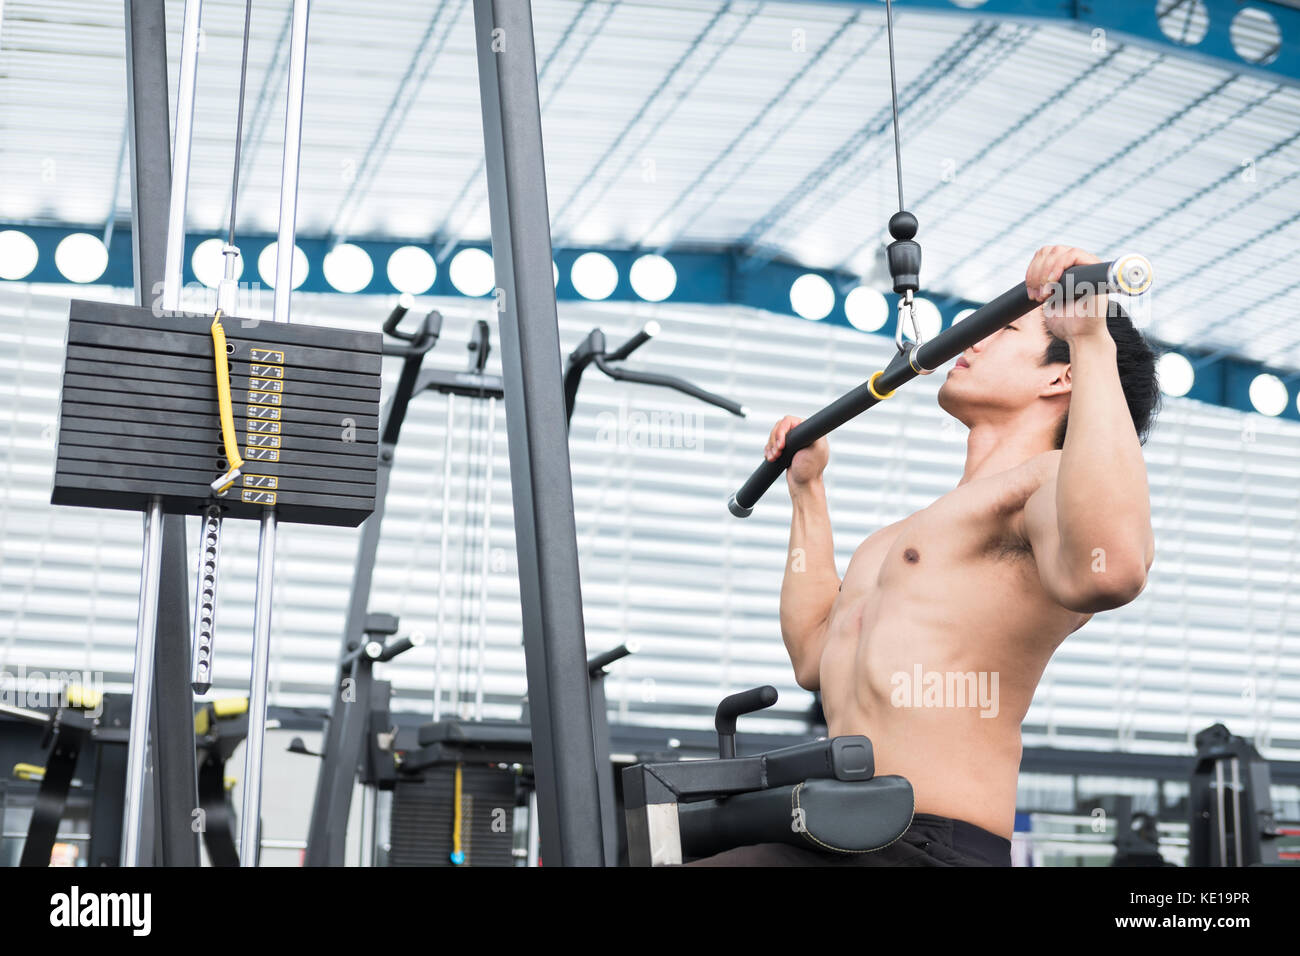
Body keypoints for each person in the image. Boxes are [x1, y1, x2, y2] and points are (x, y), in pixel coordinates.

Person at [687, 246, 1161, 866]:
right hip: (840, 833)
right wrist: (807, 492)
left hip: (930, 846)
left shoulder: (1044, 487)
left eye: (1005, 328)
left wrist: (1091, 338)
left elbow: (1114, 567)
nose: (976, 339)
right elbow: (812, 657)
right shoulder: (899, 538)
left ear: (1059, 376)